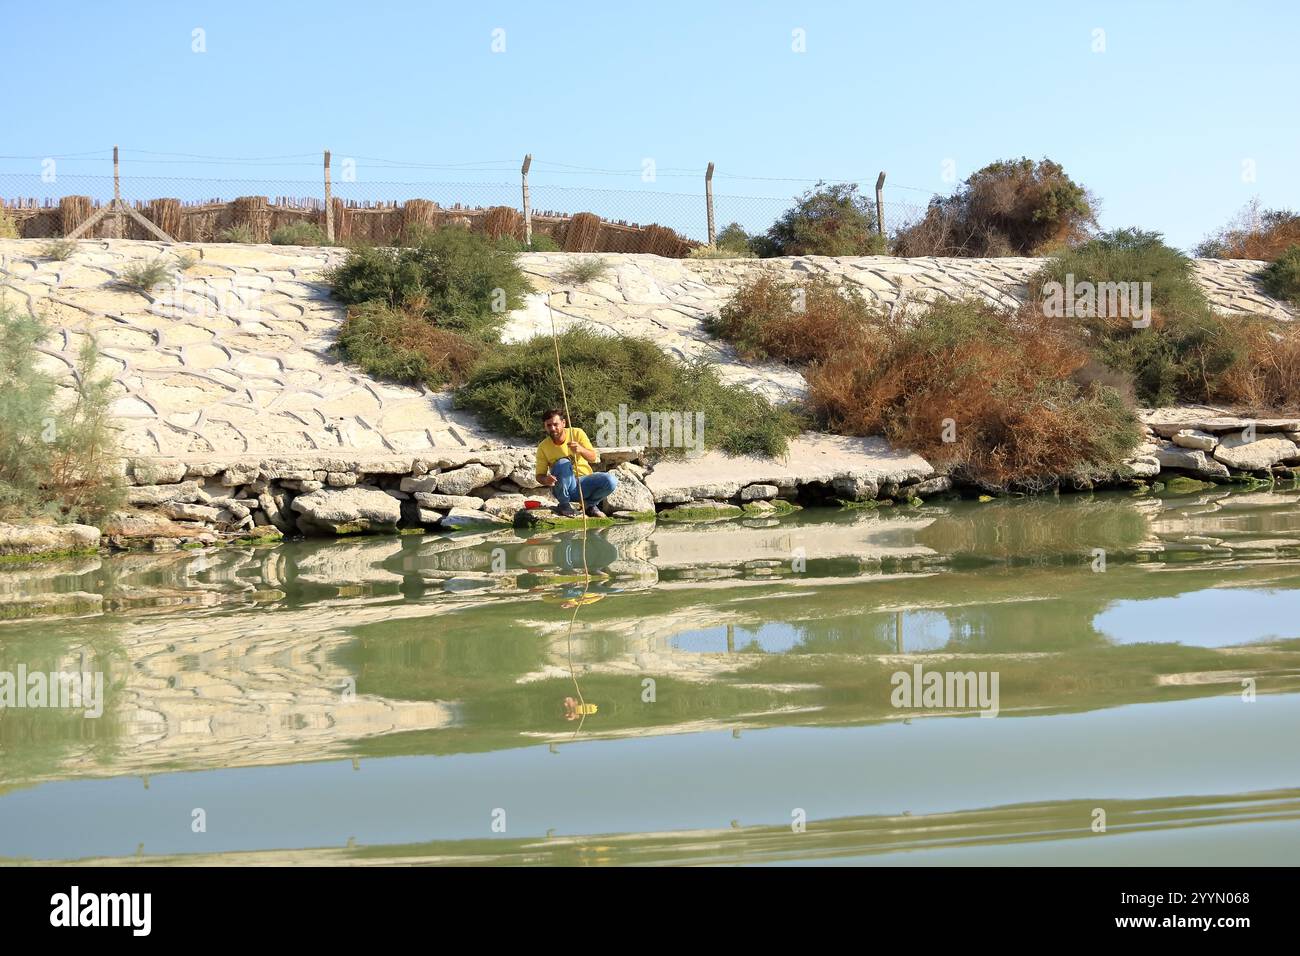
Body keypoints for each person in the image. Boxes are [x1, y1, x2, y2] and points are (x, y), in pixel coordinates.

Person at [534, 408, 618, 518]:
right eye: (549, 425)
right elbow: (539, 476)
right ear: (545, 427)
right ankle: (564, 505)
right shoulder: (543, 447)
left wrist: (581, 450)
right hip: (563, 488)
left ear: (563, 423)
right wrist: (546, 480)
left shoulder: (577, 433)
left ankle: (589, 505)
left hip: (584, 483)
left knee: (610, 480)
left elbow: (593, 457)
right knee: (563, 463)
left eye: (556, 424)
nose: (553, 428)